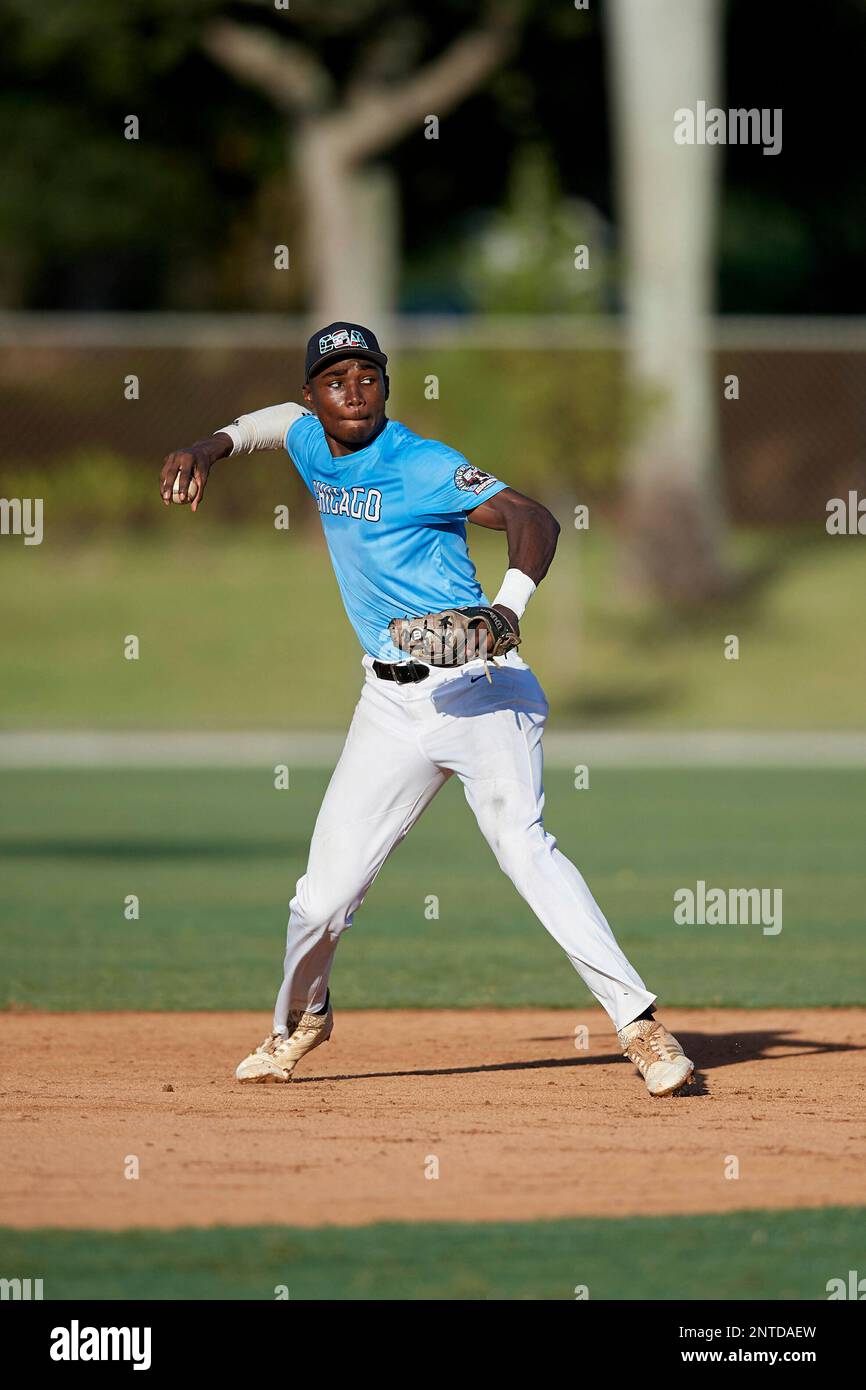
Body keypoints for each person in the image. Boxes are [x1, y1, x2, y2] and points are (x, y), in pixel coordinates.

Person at [159, 321, 695, 1098]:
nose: (354, 388)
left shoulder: (422, 464)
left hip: (481, 686)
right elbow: (273, 424)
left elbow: (532, 516)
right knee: (320, 899)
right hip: (389, 702)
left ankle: (641, 1027)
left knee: (524, 847)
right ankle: (302, 1020)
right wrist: (208, 446)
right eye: (335, 377)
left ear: (386, 386)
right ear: (315, 394)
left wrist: (506, 611)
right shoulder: (311, 440)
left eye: (368, 374)